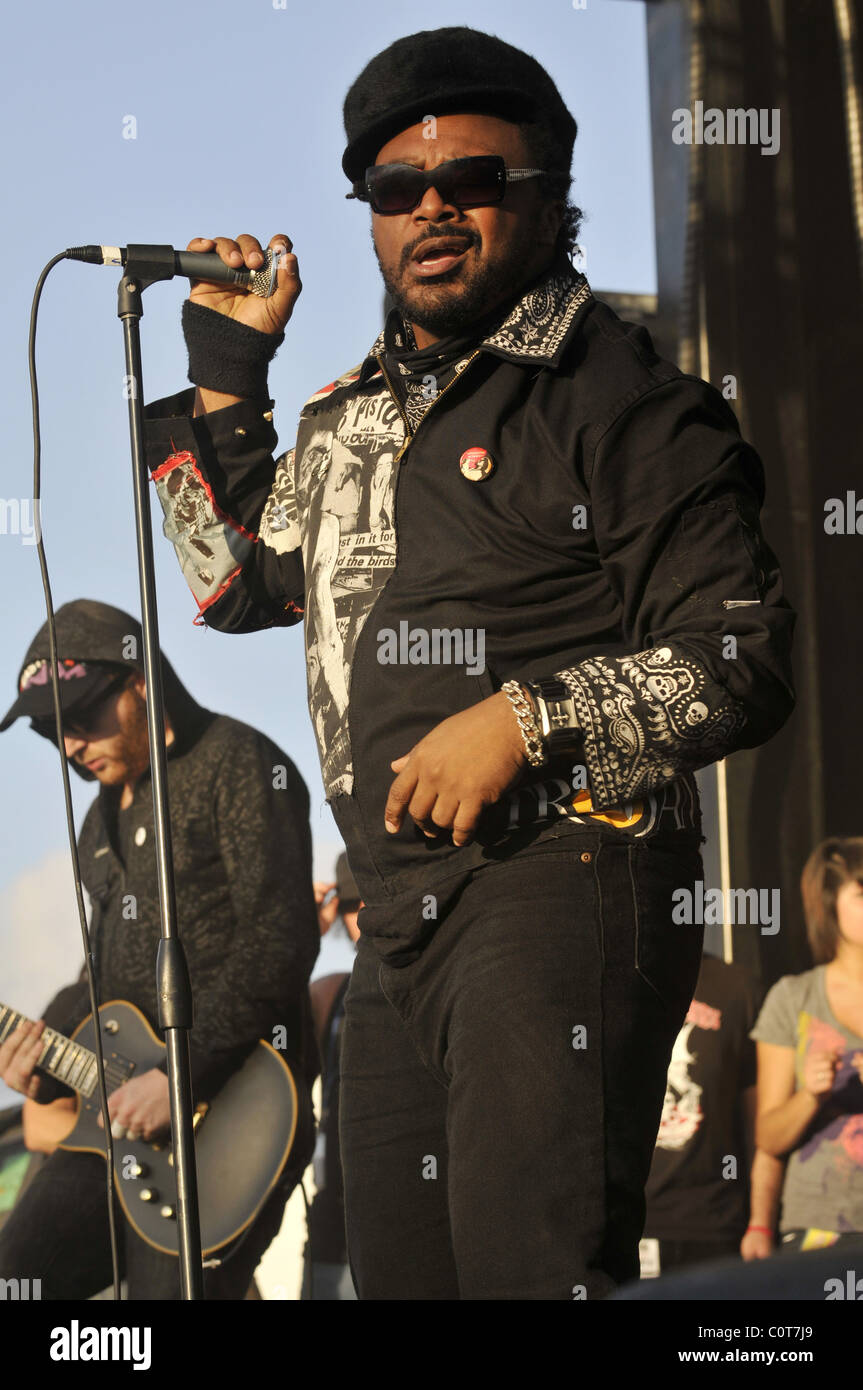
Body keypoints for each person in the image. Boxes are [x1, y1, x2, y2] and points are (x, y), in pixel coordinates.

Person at [142, 27, 795, 1298]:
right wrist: (226, 367)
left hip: (560, 877)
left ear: (546, 194)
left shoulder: (620, 397)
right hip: (395, 925)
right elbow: (226, 585)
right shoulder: (347, 421)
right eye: (395, 191)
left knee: (527, 1273)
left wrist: (526, 716)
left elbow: (741, 652)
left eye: (471, 181)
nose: (430, 208)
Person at [0, 599, 320, 1299]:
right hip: (119, 1119)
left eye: (82, 716)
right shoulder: (97, 825)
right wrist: (41, 1052)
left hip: (230, 1106)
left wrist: (185, 1072)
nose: (72, 744)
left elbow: (281, 937)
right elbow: (104, 975)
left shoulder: (237, 763)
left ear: (139, 683)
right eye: (55, 732)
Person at [749, 837, 863, 1256]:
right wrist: (810, 1095)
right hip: (819, 1230)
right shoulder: (794, 998)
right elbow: (769, 1137)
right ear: (830, 903)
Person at [641, 953, 763, 1276]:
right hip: (627, 1224)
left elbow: (757, 1127)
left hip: (714, 1225)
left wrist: (760, 1223)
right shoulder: (607, 976)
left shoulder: (738, 988)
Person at [302, 852, 362, 1300]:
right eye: (352, 904)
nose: (366, 913)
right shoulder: (331, 993)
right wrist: (302, 932)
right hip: (336, 1223)